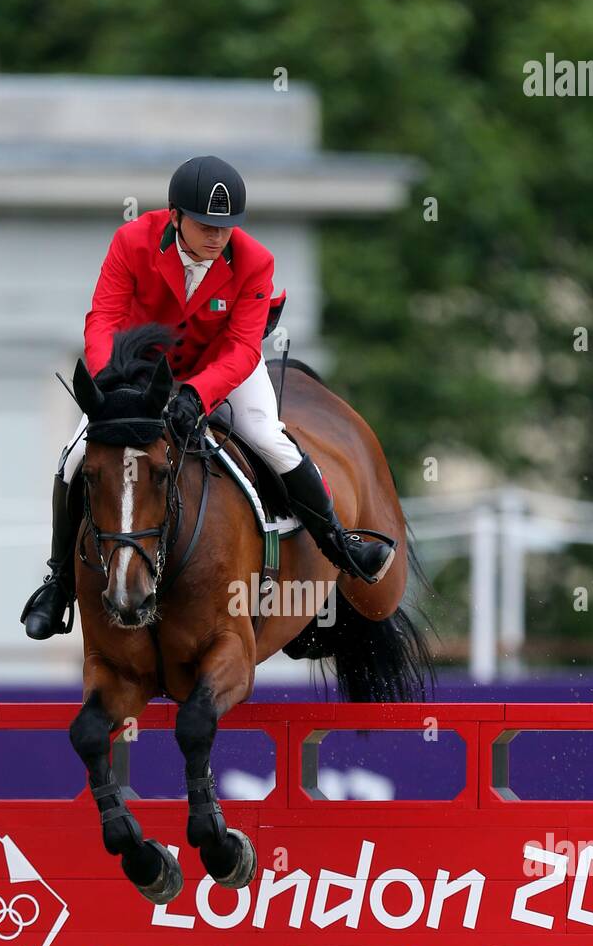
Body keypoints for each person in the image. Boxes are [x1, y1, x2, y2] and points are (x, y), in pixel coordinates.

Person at [21, 155, 393, 639]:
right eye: (204, 225)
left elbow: (242, 348)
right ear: (174, 215)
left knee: (267, 436)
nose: (217, 237)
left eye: (226, 227)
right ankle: (59, 583)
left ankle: (339, 544)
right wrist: (112, 382)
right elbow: (103, 319)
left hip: (224, 368)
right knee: (73, 458)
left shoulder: (255, 261)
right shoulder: (131, 241)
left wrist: (198, 395)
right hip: (143, 371)